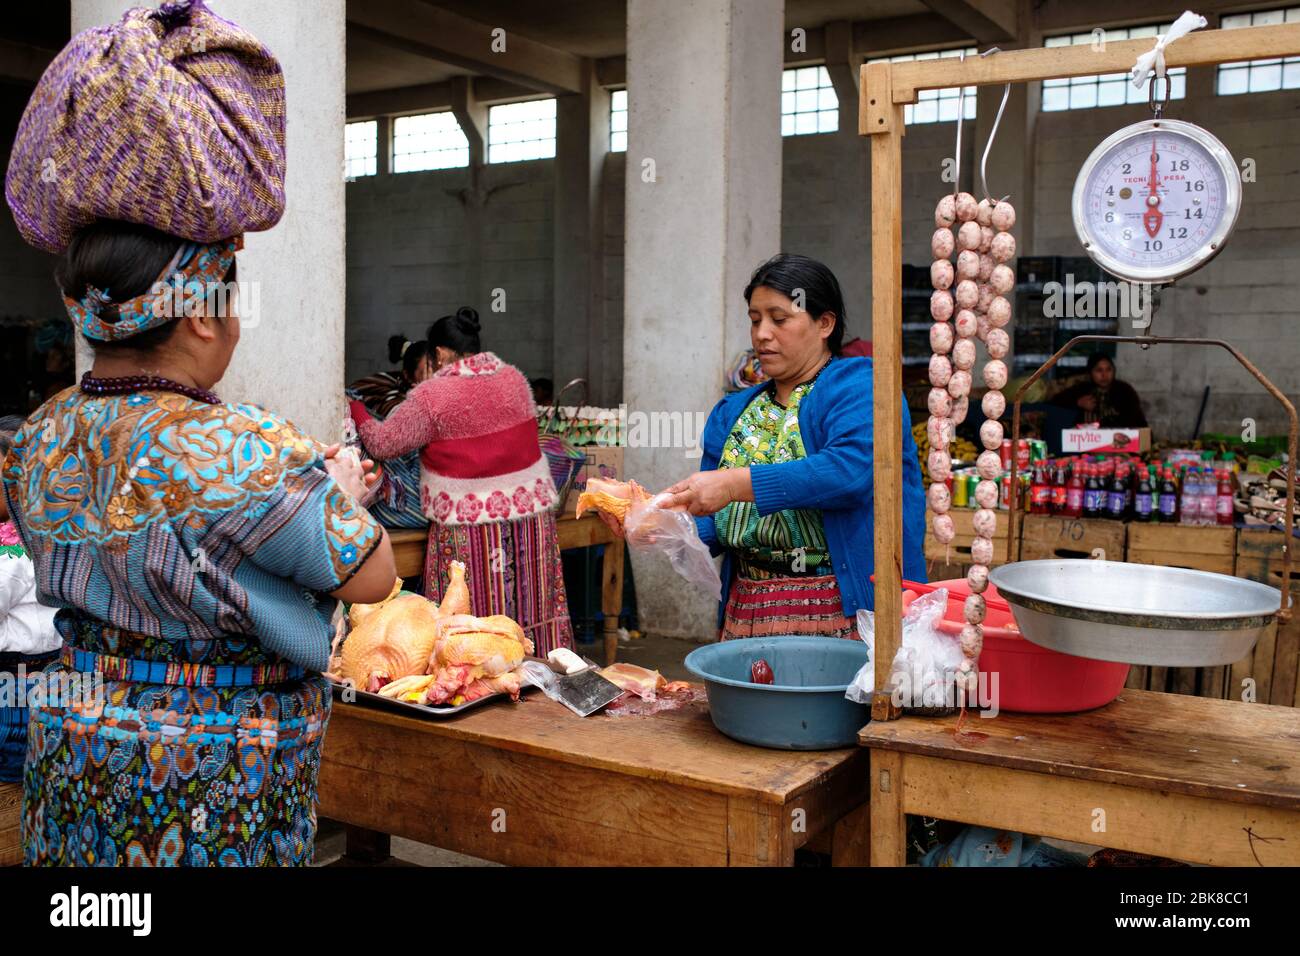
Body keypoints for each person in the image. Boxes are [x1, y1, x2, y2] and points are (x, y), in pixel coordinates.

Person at [2, 1, 395, 866]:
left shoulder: (36, 436)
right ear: (205, 318)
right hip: (212, 784)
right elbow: (373, 574)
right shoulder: (241, 447)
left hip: (74, 764)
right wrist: (333, 494)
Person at [659, 254, 927, 640]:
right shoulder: (733, 411)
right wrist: (666, 525)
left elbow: (847, 473)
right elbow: (713, 523)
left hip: (849, 618)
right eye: (754, 320)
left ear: (824, 323)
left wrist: (733, 484)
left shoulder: (861, 387)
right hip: (746, 616)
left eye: (779, 319)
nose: (762, 334)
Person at [349, 308, 575, 655]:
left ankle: (478, 684)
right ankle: (542, 677)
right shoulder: (513, 379)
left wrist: (357, 409)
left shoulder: (434, 395)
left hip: (472, 525)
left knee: (469, 625)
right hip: (531, 521)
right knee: (529, 610)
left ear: (438, 353)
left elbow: (384, 444)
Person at [0, 416, 60, 784]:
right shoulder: (55, 536)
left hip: (14, 682)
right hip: (45, 678)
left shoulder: (13, 552)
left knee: (14, 764)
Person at [345, 335, 433, 529]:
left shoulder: (429, 404)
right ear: (408, 377)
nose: (433, 378)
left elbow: (381, 444)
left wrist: (355, 408)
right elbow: (382, 443)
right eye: (427, 371)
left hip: (421, 496)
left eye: (437, 370)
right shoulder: (396, 402)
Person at [1051, 353, 1147, 428]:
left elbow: (1137, 419)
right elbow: (1055, 401)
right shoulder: (1082, 389)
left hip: (1117, 441)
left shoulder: (1124, 390)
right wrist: (1078, 403)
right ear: (1090, 373)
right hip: (1087, 440)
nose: (1104, 375)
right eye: (1099, 370)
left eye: (1108, 370)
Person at [349, 334, 432, 418]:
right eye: (428, 371)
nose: (436, 377)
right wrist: (427, 395)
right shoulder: (389, 398)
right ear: (408, 376)